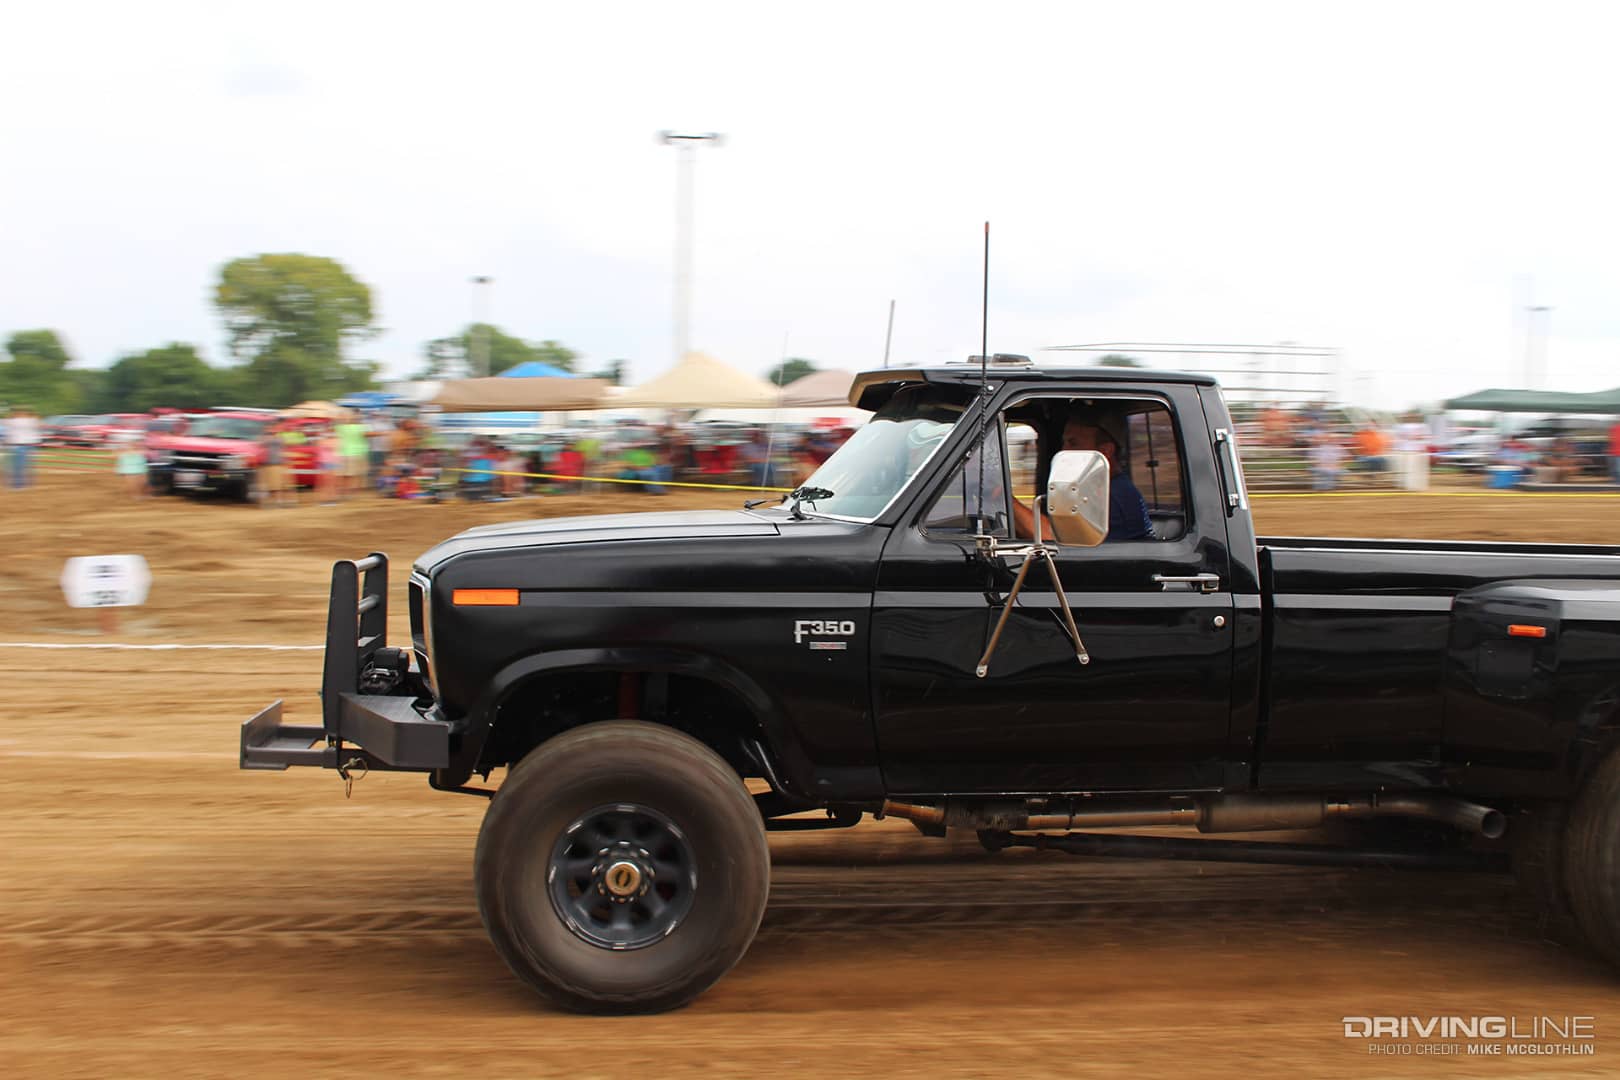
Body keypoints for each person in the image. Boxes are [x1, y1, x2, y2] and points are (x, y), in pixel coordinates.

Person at [1013, 413, 1153, 542]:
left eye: (1073, 443)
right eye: (1065, 443)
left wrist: (1005, 498)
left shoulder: (1113, 494)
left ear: (1105, 451)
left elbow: (1053, 541)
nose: (1064, 451)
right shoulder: (1090, 488)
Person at [5, 406, 41, 489]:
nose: (22, 413)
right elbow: (38, 422)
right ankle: (19, 484)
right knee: (20, 466)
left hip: (25, 445)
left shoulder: (18, 421)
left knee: (21, 466)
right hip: (21, 445)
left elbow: (38, 423)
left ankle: (21, 484)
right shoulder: (25, 421)